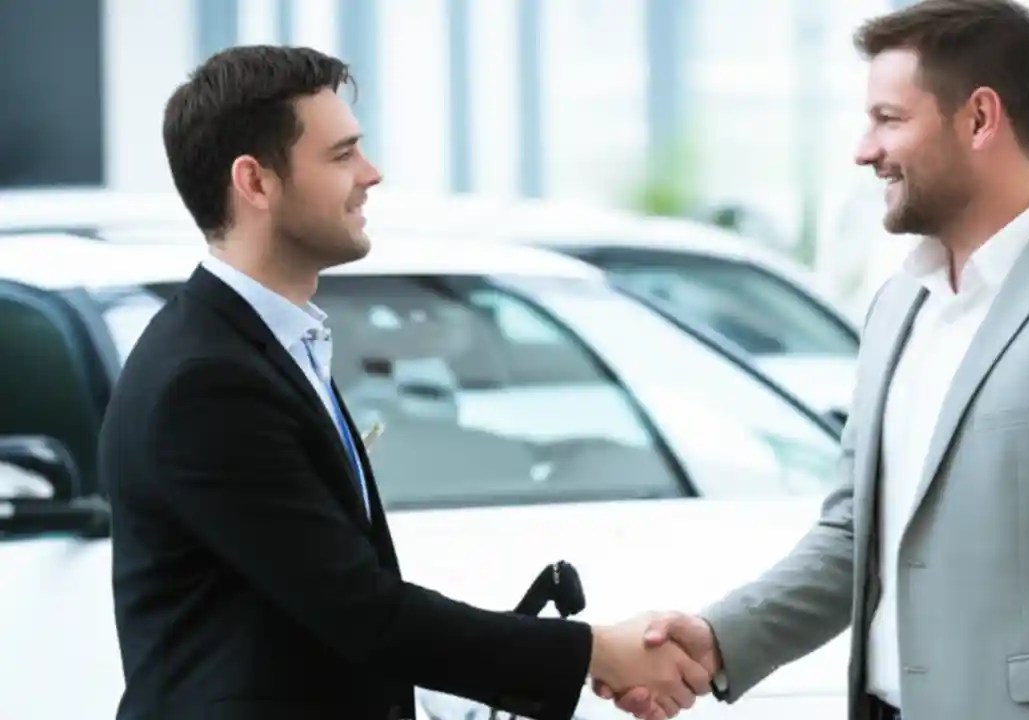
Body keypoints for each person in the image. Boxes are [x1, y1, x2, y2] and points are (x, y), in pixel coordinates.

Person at [601, 1, 1029, 719]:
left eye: (889, 119)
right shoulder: (898, 306)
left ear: (980, 118)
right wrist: (720, 638)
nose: (864, 150)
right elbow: (853, 538)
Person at [98, 45, 708, 720]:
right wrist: (595, 650)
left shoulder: (261, 345)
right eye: (341, 156)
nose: (371, 173)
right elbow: (360, 610)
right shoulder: (206, 382)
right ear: (256, 183)